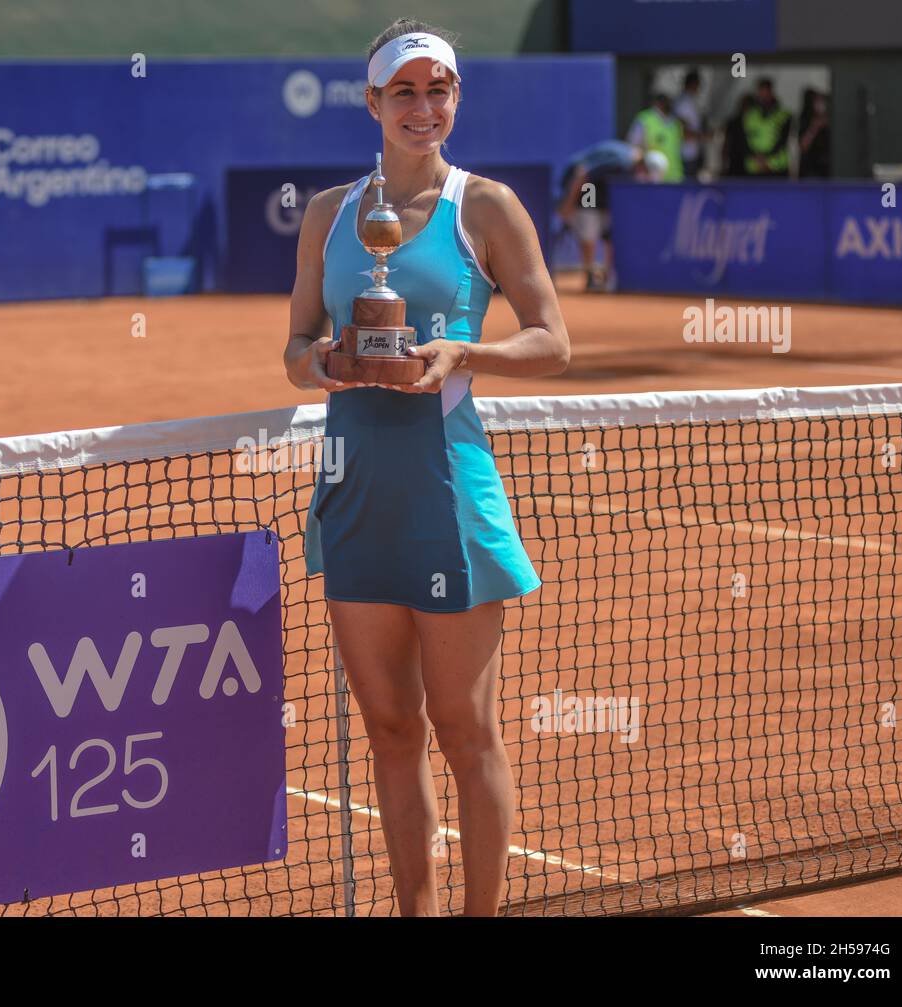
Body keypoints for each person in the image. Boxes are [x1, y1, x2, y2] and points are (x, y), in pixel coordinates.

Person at [283, 18, 570, 918]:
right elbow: (294, 344)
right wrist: (324, 362)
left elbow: (553, 340)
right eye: (403, 91)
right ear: (373, 103)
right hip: (355, 493)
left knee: (464, 727)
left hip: (450, 492)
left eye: (437, 89)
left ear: (456, 99)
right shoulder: (332, 214)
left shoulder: (484, 207)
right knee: (392, 728)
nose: (422, 107)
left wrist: (461, 353)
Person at [557, 140, 669, 292]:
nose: (645, 176)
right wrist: (568, 204)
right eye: (646, 172)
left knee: (611, 232)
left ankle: (608, 276)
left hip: (599, 191)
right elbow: (582, 174)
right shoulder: (620, 162)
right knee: (589, 223)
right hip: (585, 186)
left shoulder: (631, 165)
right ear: (642, 164)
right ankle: (590, 275)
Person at [627, 93, 684, 183]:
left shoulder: (675, 123)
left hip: (674, 177)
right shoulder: (644, 119)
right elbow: (633, 146)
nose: (667, 104)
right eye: (663, 102)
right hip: (652, 178)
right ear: (657, 103)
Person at [744, 78, 792, 177]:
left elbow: (783, 140)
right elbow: (744, 140)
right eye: (761, 93)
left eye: (766, 93)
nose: (764, 97)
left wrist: (765, 158)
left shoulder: (784, 115)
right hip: (754, 168)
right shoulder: (749, 115)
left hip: (776, 167)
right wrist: (756, 157)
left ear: (771, 92)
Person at [673, 69, 706, 180]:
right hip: (684, 155)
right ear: (693, 84)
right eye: (698, 84)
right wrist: (705, 136)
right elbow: (683, 132)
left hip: (692, 154)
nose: (699, 88)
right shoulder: (683, 103)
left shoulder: (692, 101)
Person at [798, 88, 831, 178]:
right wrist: (815, 127)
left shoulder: (832, 120)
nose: (820, 105)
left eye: (822, 102)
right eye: (817, 101)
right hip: (810, 170)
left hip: (828, 170)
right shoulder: (805, 120)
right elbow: (803, 146)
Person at [722, 93, 755, 178]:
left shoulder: (757, 123)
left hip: (751, 162)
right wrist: (724, 163)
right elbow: (726, 143)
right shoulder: (733, 122)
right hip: (736, 160)